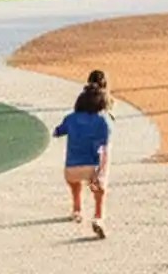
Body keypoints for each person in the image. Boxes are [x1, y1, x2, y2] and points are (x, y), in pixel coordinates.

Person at [53, 84, 111, 240]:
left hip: (71, 171)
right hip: (91, 170)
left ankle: (77, 210)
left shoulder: (70, 118)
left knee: (76, 185)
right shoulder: (102, 122)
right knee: (97, 190)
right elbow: (103, 149)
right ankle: (98, 217)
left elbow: (57, 132)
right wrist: (101, 171)